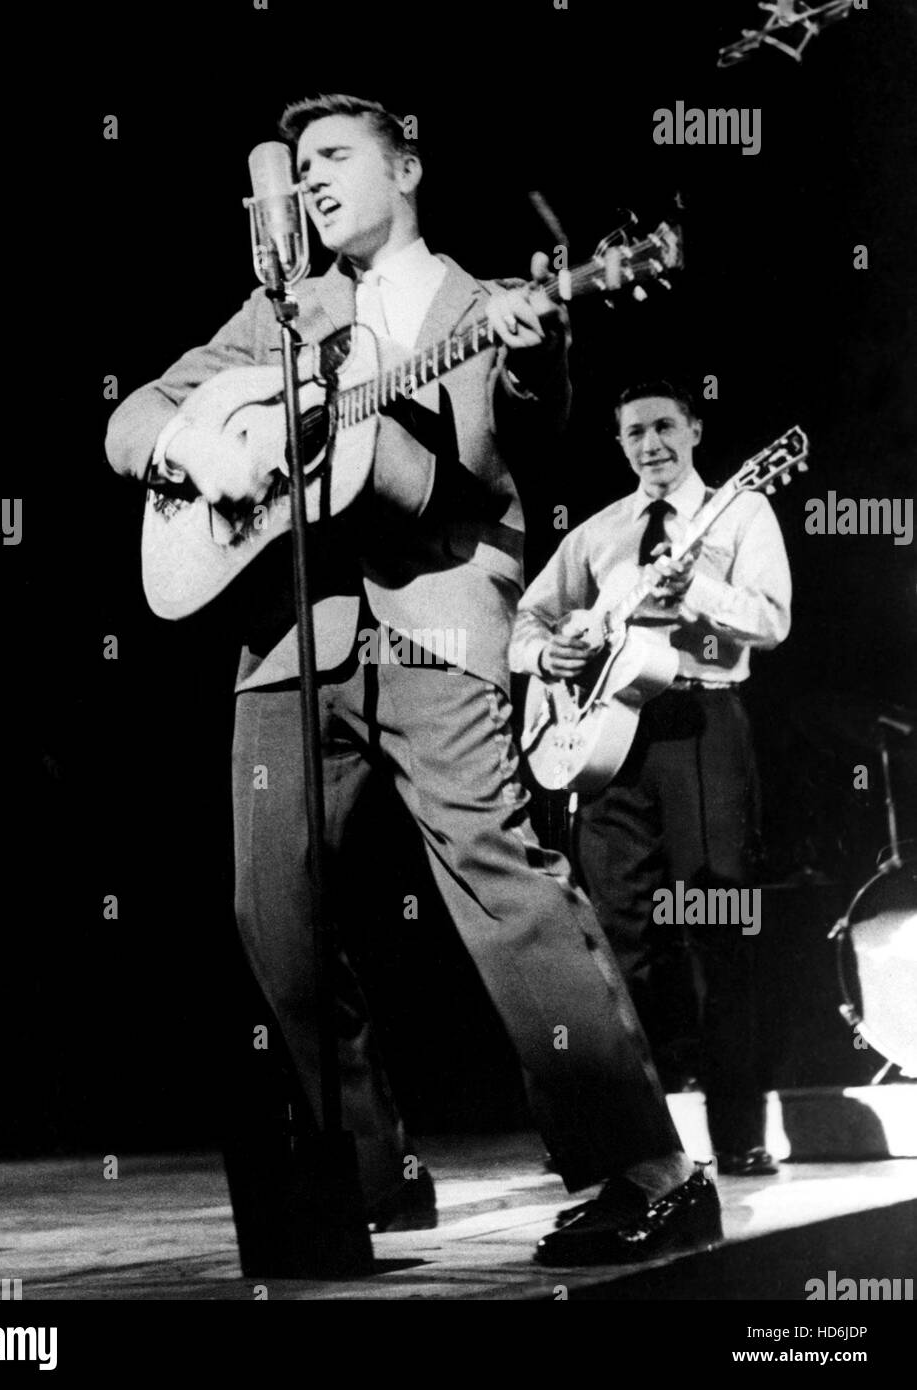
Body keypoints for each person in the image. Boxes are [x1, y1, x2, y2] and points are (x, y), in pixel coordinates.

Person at [106, 96, 720, 1265]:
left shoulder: (482, 305)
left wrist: (543, 347)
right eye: (299, 168)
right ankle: (370, 1168)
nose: (314, 180)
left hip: (434, 624)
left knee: (506, 885)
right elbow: (133, 419)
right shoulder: (278, 316)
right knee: (268, 914)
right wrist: (208, 451)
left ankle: (652, 1167)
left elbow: (532, 422)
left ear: (409, 167)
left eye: (337, 158)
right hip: (291, 640)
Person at [510, 380, 792, 1176]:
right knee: (613, 938)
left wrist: (692, 585)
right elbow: (527, 621)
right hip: (607, 739)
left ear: (695, 428)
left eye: (664, 426)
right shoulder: (598, 533)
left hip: (700, 726)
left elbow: (772, 619)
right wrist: (545, 653)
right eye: (633, 433)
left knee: (718, 927)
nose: (650, 445)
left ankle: (737, 1135)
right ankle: (622, 1138)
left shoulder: (741, 511)